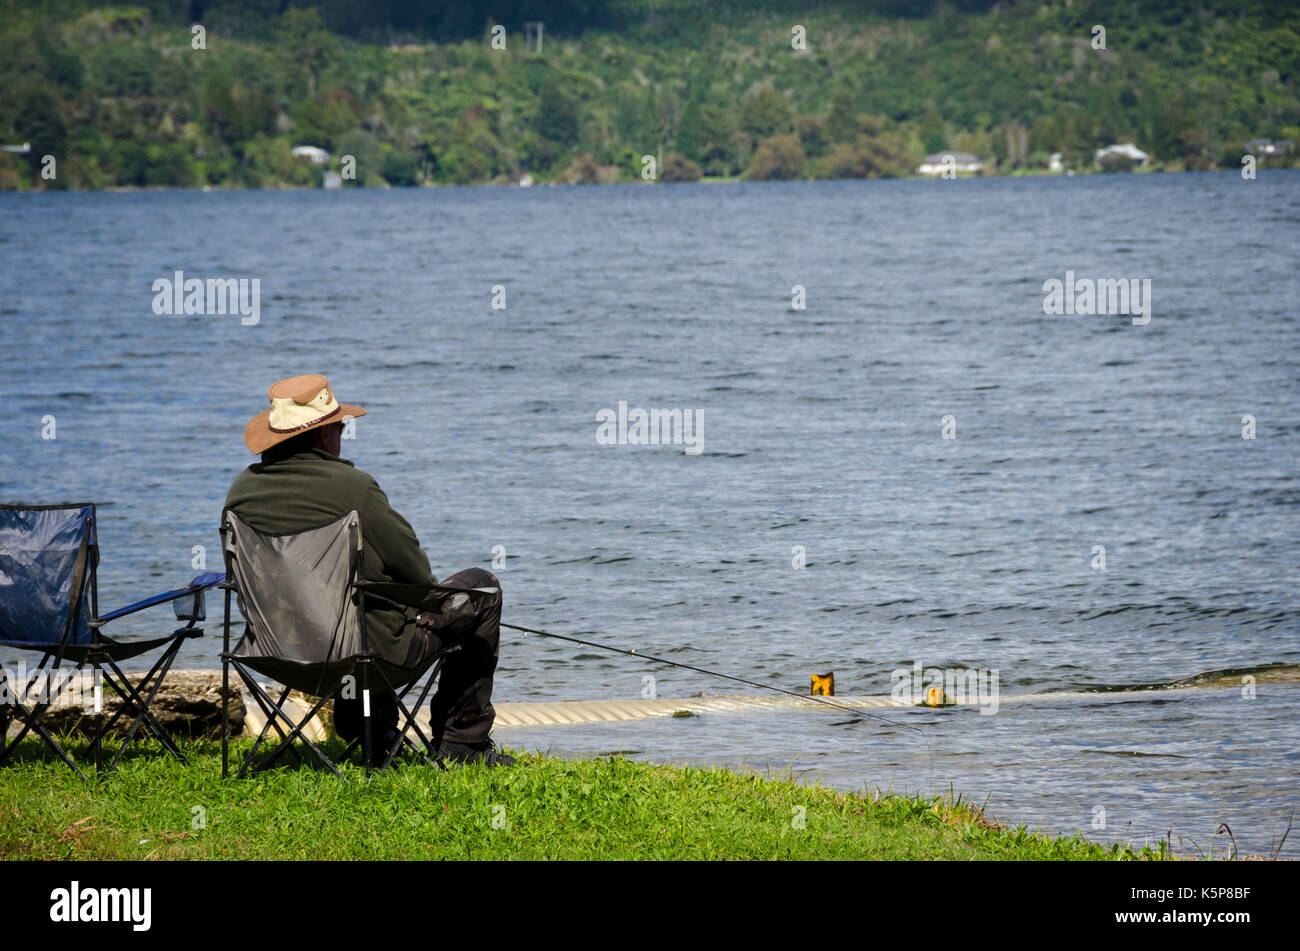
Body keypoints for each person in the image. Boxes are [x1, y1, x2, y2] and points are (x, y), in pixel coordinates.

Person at [224, 373, 513, 767]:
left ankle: (372, 731)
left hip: (280, 657)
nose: (341, 435)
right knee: (482, 588)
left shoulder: (239, 493)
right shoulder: (355, 489)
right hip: (363, 660)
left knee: (356, 601)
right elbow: (419, 579)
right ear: (325, 435)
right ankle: (463, 744)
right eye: (339, 427)